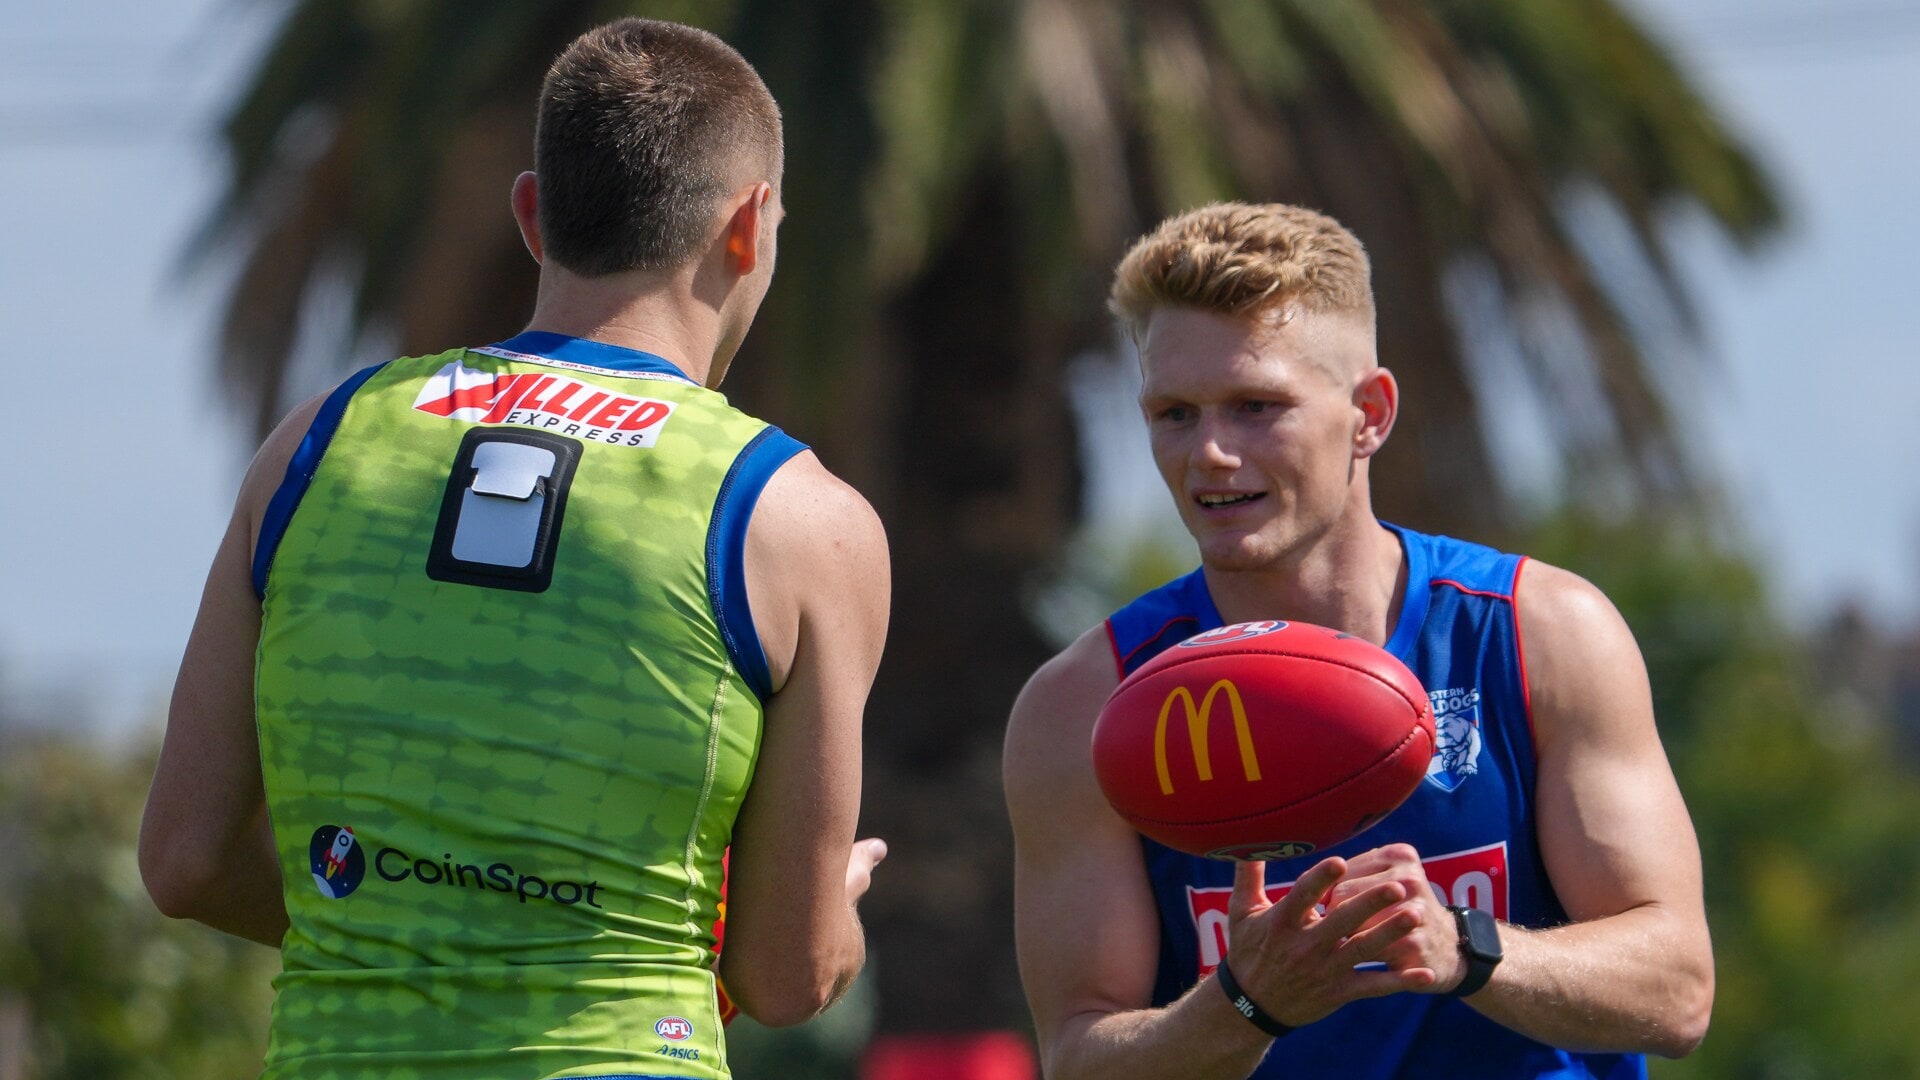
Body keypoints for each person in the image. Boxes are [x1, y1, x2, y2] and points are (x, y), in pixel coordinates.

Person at [139, 18, 889, 1079]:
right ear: (749, 227)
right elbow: (784, 974)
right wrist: (835, 919)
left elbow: (185, 860)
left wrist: (396, 913)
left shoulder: (315, 445)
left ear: (533, 215)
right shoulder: (802, 520)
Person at [1004, 203, 1712, 1078]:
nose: (1211, 454)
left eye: (1257, 406)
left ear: (1369, 413)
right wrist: (1248, 1002)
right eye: (1175, 414)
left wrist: (1466, 949)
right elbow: (1078, 1060)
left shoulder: (1540, 633)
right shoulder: (1089, 704)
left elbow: (1678, 987)